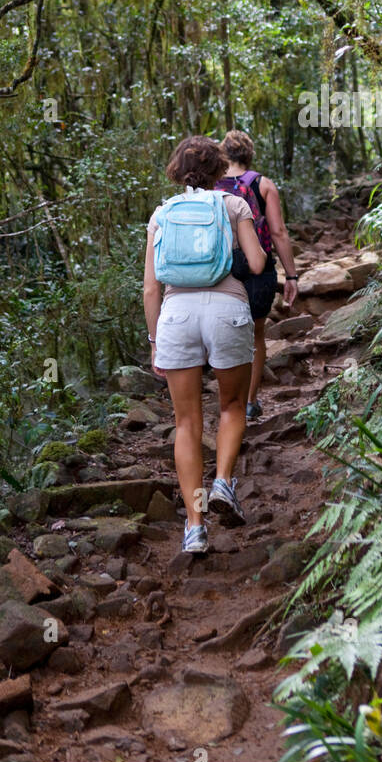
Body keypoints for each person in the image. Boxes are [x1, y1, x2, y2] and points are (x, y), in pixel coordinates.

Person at [143, 135, 267, 552]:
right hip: (226, 309)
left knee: (186, 424)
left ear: (177, 170)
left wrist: (154, 341)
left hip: (176, 315)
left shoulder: (161, 214)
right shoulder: (233, 205)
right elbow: (256, 263)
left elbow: (149, 290)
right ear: (220, 169)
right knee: (232, 406)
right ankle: (223, 484)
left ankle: (195, 525)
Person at [215, 130, 299, 422]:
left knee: (223, 336)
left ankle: (228, 401)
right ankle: (250, 401)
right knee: (256, 334)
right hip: (257, 268)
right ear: (250, 155)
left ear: (223, 155)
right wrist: (291, 276)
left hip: (219, 271)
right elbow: (278, 232)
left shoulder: (208, 186)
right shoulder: (263, 184)